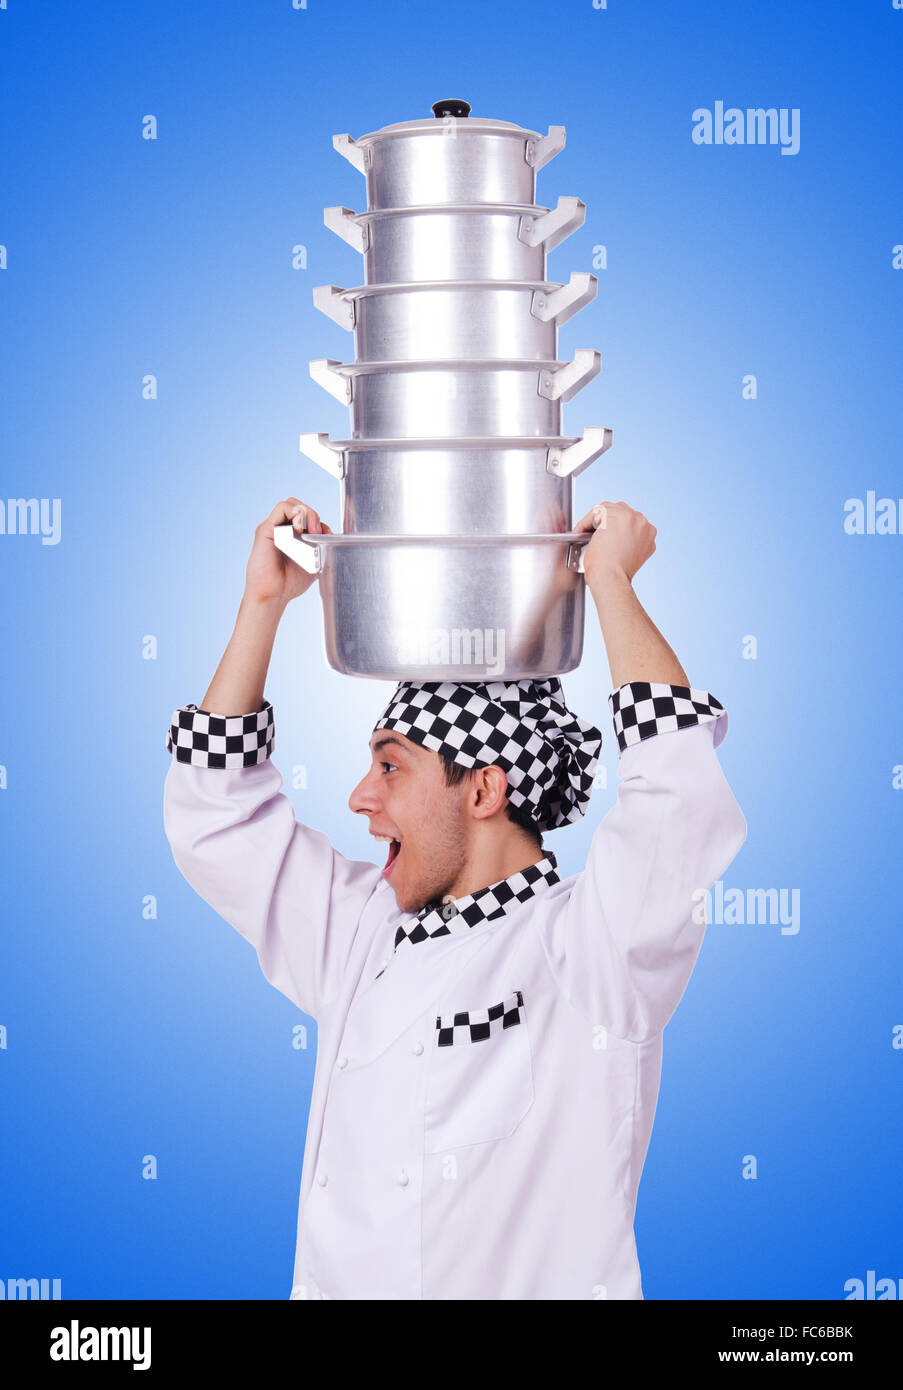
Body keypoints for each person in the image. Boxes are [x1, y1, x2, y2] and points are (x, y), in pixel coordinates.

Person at [163, 497, 747, 1300]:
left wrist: (608, 580)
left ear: (482, 790)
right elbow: (216, 819)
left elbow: (677, 799)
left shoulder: (596, 946)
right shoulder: (360, 935)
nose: (360, 797)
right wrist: (261, 606)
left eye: (390, 766)